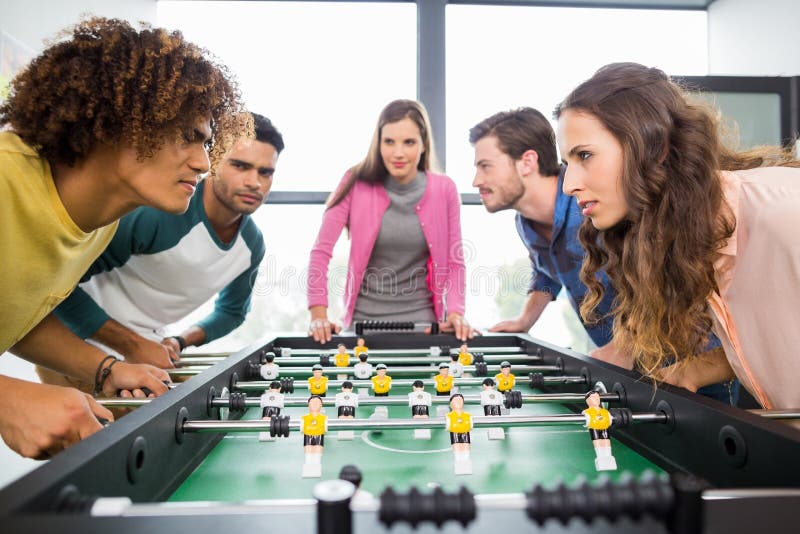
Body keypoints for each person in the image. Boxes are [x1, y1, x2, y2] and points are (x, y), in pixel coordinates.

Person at [0, 17, 241, 459]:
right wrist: (6, 400)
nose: (204, 164)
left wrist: (106, 369)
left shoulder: (102, 221)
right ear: (123, 119)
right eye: (190, 137)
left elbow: (13, 316)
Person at [555, 62, 800, 410]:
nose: (569, 185)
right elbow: (777, 338)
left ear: (655, 147)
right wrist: (693, 370)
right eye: (567, 162)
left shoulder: (784, 216)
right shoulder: (692, 238)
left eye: (585, 155)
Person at [470, 107, 737, 406]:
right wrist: (524, 320)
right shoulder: (525, 223)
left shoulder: (596, 205)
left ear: (528, 162)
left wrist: (623, 347)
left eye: (485, 166)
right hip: (626, 368)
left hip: (691, 363)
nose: (475, 180)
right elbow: (546, 274)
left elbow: (661, 271)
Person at [48, 113, 282, 379]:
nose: (255, 182)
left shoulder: (252, 245)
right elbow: (58, 285)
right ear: (212, 161)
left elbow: (232, 312)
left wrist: (179, 341)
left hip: (148, 349)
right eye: (240, 166)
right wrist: (132, 345)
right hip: (75, 345)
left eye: (266, 172)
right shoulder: (156, 212)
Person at [307, 99, 472, 343]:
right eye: (389, 142)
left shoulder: (445, 189)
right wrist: (318, 315)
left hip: (425, 327)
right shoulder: (354, 181)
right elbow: (321, 253)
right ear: (378, 143)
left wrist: (457, 313)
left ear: (424, 145)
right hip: (361, 327)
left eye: (409, 142)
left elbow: (455, 260)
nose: (398, 153)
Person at [582, 390, 617, 471]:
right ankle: (600, 457)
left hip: (604, 427)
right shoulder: (587, 412)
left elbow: (609, 418)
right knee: (598, 441)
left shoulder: (604, 411)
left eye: (598, 397)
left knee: (606, 441)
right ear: (587, 401)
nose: (597, 399)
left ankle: (608, 457)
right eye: (594, 397)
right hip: (594, 428)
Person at [446, 393, 473, 475]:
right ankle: (458, 462)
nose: (458, 401)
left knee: (465, 446)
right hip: (455, 432)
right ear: (451, 404)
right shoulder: (449, 415)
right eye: (456, 400)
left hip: (465, 432)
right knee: (457, 446)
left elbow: (470, 425)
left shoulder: (468, 415)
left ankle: (466, 462)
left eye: (460, 400)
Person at [301, 395, 327, 478]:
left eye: (317, 402)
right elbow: (302, 428)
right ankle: (308, 465)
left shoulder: (324, 417)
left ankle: (316, 466)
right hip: (308, 435)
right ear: (308, 404)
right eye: (312, 402)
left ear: (321, 405)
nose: (315, 404)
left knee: (317, 449)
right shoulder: (304, 417)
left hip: (319, 435)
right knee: (308, 449)